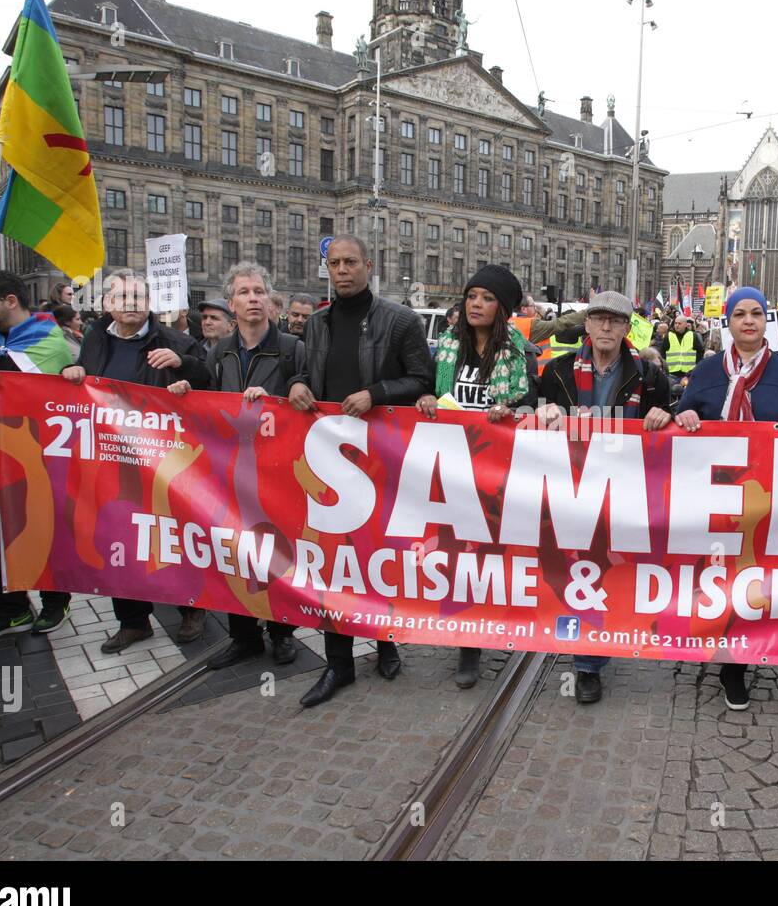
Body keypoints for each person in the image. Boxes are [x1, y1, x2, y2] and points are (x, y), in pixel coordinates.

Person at [288, 234, 433, 708]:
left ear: (369, 265)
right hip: (328, 461)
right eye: (335, 264)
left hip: (380, 458)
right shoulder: (315, 324)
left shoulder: (401, 321)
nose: (343, 271)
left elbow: (423, 382)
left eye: (351, 262)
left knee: (376, 557)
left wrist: (376, 392)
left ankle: (385, 640)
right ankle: (339, 665)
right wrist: (296, 385)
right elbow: (306, 374)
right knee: (333, 563)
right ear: (326, 268)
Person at [674, 287, 778, 713]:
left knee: (756, 577)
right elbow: (686, 418)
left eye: (757, 313)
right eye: (740, 314)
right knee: (719, 575)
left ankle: (739, 661)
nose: (749, 321)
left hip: (768, 498)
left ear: (766, 322)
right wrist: (686, 417)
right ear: (729, 323)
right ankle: (722, 652)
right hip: (714, 494)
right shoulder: (705, 372)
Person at [535, 291, 675, 706]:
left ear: (628, 328)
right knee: (581, 569)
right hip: (571, 487)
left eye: (616, 321)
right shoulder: (556, 371)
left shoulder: (649, 377)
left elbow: (665, 428)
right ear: (588, 326)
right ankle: (587, 664)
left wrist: (663, 417)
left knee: (614, 573)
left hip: (625, 489)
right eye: (599, 319)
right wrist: (543, 412)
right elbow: (534, 417)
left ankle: (604, 643)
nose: (607, 328)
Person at [63, 269, 210, 653]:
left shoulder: (176, 339)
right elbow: (81, 386)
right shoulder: (95, 339)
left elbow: (208, 381)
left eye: (138, 298)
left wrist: (183, 368)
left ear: (150, 304)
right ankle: (133, 621)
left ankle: (192, 608)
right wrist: (72, 372)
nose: (130, 304)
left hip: (165, 461)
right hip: (112, 459)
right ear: (107, 304)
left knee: (171, 536)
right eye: (122, 297)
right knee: (120, 538)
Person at [169, 263, 305, 669]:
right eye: (245, 292)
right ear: (232, 304)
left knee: (277, 551)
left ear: (269, 300)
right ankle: (243, 635)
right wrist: (186, 392)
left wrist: (278, 399)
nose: (253, 299)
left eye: (260, 291)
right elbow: (209, 402)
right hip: (231, 469)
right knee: (234, 551)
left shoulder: (291, 348)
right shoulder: (220, 350)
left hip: (277, 470)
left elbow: (309, 399)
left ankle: (282, 631)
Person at [417, 265, 539, 688]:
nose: (475, 304)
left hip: (499, 472)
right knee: (460, 559)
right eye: (471, 296)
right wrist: (425, 395)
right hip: (454, 470)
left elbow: (531, 409)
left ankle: (500, 624)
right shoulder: (448, 346)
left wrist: (513, 412)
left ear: (502, 308)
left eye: (486, 298)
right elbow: (427, 388)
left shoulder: (518, 353)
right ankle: (468, 646)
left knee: (494, 559)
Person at [0, 271, 76, 642]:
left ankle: (55, 601)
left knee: (40, 531)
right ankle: (12, 608)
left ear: (10, 301)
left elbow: (35, 389)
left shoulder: (49, 340)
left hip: (36, 458)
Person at [662, 315, 705, 382]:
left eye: (679, 323)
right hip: (672, 373)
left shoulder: (693, 335)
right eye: (675, 323)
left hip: (689, 373)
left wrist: (695, 365)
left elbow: (700, 351)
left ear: (685, 324)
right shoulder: (669, 335)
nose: (677, 325)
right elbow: (662, 352)